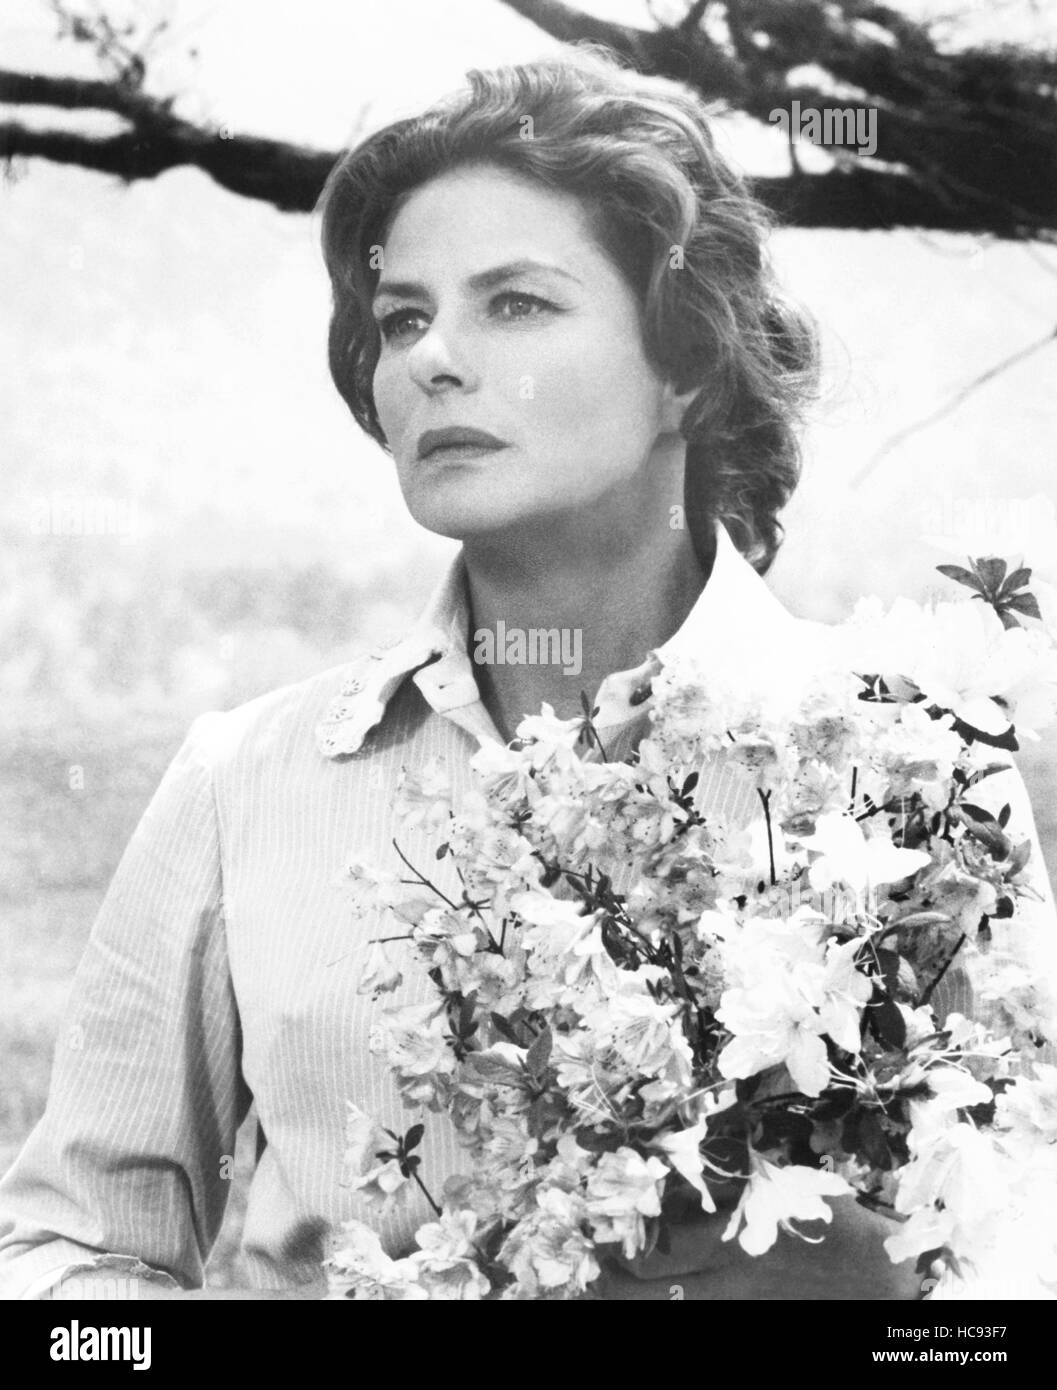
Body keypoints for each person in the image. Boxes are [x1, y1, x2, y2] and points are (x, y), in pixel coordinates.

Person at [1, 46, 1050, 1302]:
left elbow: (1020, 1246)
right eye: (403, 318)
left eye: (516, 304)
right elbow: (62, 1260)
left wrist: (890, 1309)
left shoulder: (912, 763)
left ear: (688, 363)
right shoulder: (246, 782)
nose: (434, 357)